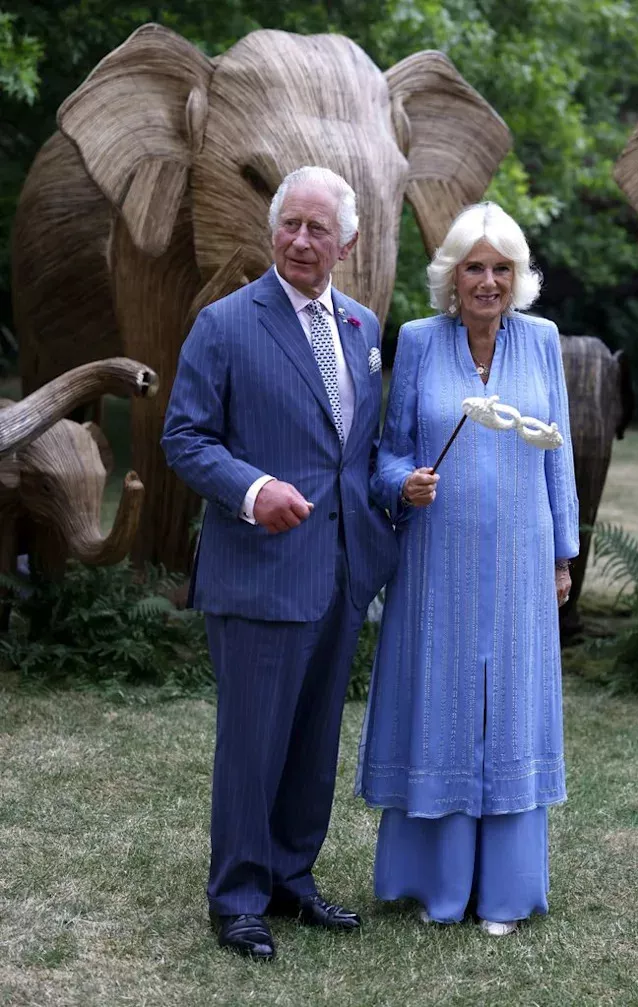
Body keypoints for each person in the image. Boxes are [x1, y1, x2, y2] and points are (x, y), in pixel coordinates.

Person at [161, 166, 397, 961]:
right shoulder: (224, 325)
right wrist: (254, 489)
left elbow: (355, 454)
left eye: (318, 229)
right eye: (290, 225)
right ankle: (238, 897)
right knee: (252, 744)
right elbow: (184, 438)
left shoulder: (362, 328)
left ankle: (292, 877)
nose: (301, 240)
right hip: (258, 571)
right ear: (272, 232)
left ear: (348, 242)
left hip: (339, 572)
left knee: (313, 737)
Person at [356, 201, 579, 936]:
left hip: (522, 557)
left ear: (519, 278)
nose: (487, 281)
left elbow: (560, 453)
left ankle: (507, 894)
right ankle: (438, 886)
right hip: (435, 560)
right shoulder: (418, 341)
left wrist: (563, 554)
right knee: (442, 704)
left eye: (501, 268)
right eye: (474, 267)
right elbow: (387, 451)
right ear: (451, 277)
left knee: (511, 705)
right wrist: (401, 484)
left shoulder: (544, 340)